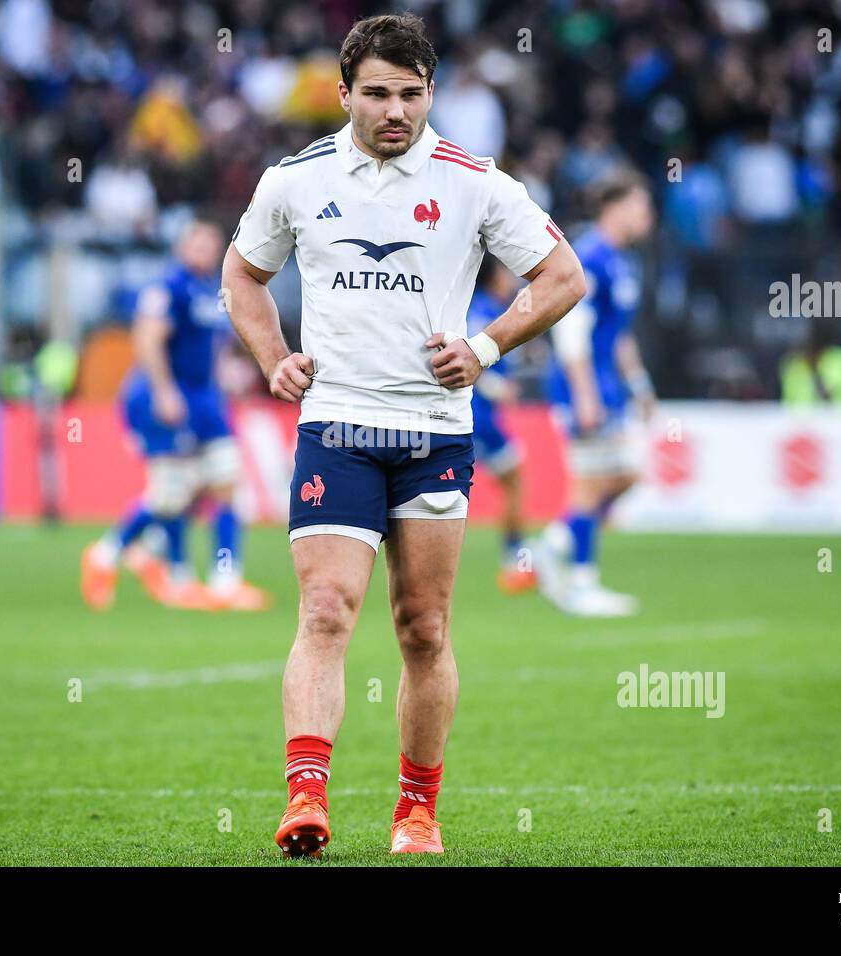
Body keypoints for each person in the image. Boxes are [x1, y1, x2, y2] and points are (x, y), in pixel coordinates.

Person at [221, 13, 585, 856]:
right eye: (377, 93)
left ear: (433, 94)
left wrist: (487, 345)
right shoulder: (296, 180)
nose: (396, 110)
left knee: (423, 628)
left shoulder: (476, 182)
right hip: (336, 427)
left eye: (412, 94)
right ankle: (306, 799)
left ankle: (416, 812)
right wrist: (273, 354)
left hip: (434, 433)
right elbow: (242, 272)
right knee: (323, 611)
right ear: (343, 92)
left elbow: (562, 276)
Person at [80, 219, 270, 612]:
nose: (203, 252)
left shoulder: (213, 291)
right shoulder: (167, 287)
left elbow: (212, 348)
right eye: (196, 245)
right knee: (172, 493)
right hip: (165, 397)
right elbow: (148, 338)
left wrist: (226, 380)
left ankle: (224, 580)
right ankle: (128, 561)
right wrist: (164, 391)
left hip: (204, 401)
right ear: (182, 247)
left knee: (227, 482)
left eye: (210, 246)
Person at [541, 169, 657, 617]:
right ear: (617, 207)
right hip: (584, 386)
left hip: (608, 385)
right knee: (591, 484)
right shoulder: (588, 254)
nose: (648, 217)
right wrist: (584, 394)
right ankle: (582, 582)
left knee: (625, 475)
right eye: (641, 207)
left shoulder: (621, 260)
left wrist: (640, 385)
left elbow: (620, 334)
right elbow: (572, 329)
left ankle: (553, 546)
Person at [467, 254, 534, 593]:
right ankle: (515, 561)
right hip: (477, 415)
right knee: (514, 479)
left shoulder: (490, 308)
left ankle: (517, 560)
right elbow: (469, 355)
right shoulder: (482, 310)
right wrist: (497, 387)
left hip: (480, 415)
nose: (513, 279)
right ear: (494, 276)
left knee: (511, 479)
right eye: (508, 272)